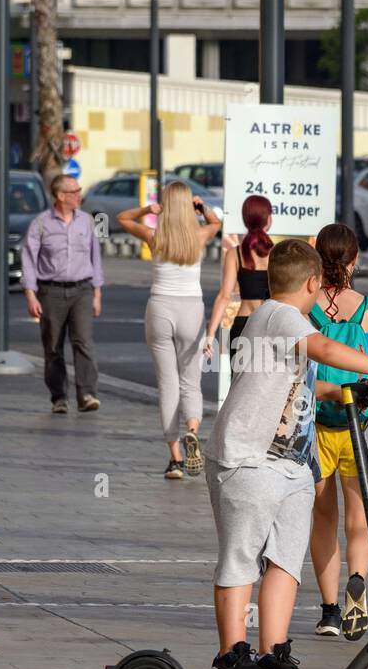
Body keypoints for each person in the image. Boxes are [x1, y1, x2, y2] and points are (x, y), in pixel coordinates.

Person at [202, 238, 368, 669]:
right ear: (312, 282)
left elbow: (307, 384)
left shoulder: (280, 322)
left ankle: (273, 650)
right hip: (246, 459)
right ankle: (230, 653)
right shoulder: (279, 315)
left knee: (287, 560)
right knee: (241, 557)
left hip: (291, 465)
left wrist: (350, 391)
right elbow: (326, 352)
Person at [307, 223, 368, 640]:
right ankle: (357, 581)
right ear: (355, 260)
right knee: (358, 521)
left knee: (323, 519)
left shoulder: (305, 309)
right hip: (356, 425)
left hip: (316, 423)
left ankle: (328, 612)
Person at [117, 180, 222, 479]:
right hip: (191, 308)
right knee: (191, 381)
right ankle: (192, 428)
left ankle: (175, 458)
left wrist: (147, 209)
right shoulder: (199, 235)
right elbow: (217, 223)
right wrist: (202, 208)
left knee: (168, 384)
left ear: (165, 205)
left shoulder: (153, 235)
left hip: (161, 307)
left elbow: (122, 219)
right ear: (188, 205)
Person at [20, 173, 102, 414]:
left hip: (82, 290)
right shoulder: (41, 223)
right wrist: (30, 295)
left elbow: (95, 258)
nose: (80, 196)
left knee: (83, 341)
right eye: (75, 192)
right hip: (50, 292)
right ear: (60, 195)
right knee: (53, 346)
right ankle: (59, 397)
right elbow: (28, 259)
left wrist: (97, 294)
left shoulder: (86, 221)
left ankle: (87, 393)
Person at [204, 195, 273, 362]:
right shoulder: (277, 253)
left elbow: (224, 296)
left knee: (240, 385)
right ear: (267, 219)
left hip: (243, 325)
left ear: (246, 219)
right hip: (270, 325)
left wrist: (210, 334)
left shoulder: (236, 253)